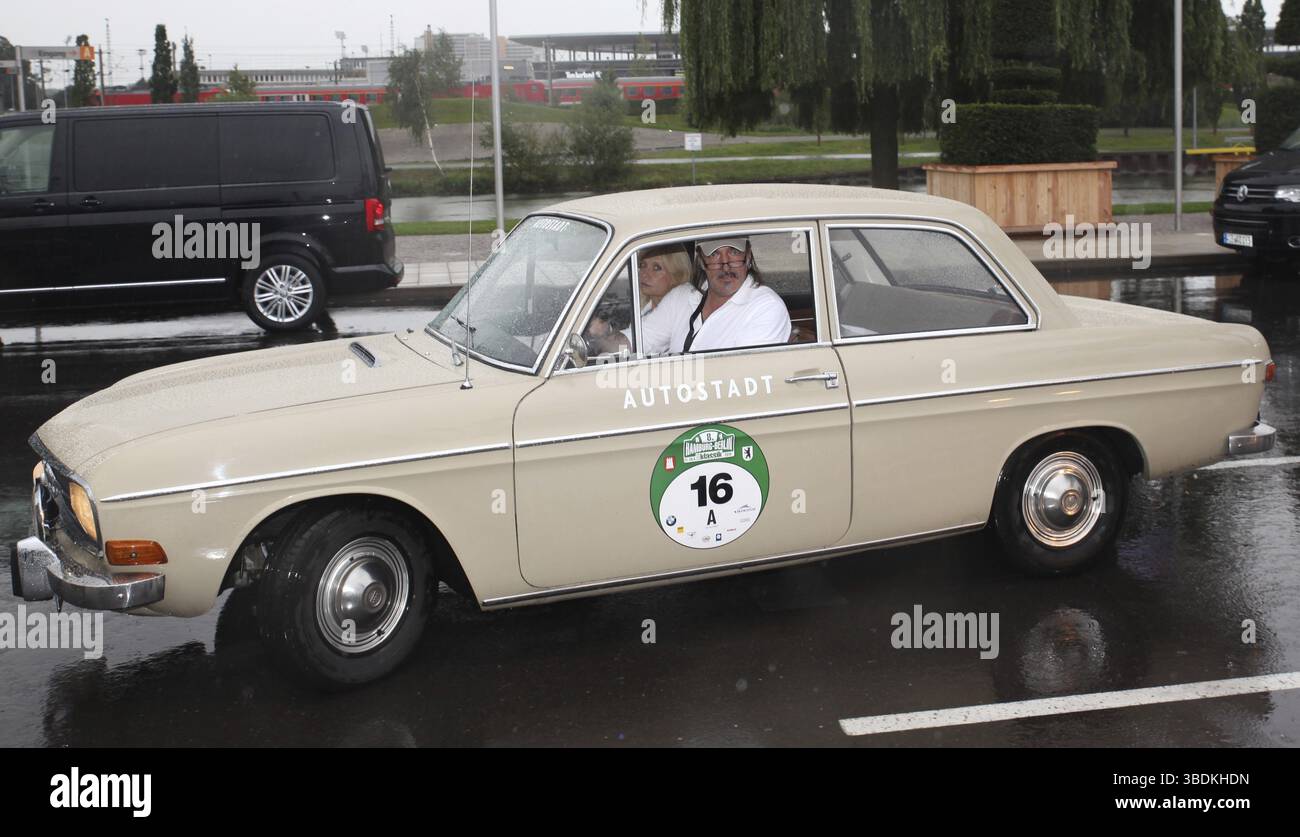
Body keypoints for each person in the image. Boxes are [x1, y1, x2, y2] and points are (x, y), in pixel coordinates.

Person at [640, 237, 792, 355]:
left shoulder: (766, 307)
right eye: (714, 254)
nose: (725, 264)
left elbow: (745, 378)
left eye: (734, 252)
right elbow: (640, 340)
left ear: (748, 257)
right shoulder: (683, 296)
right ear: (701, 260)